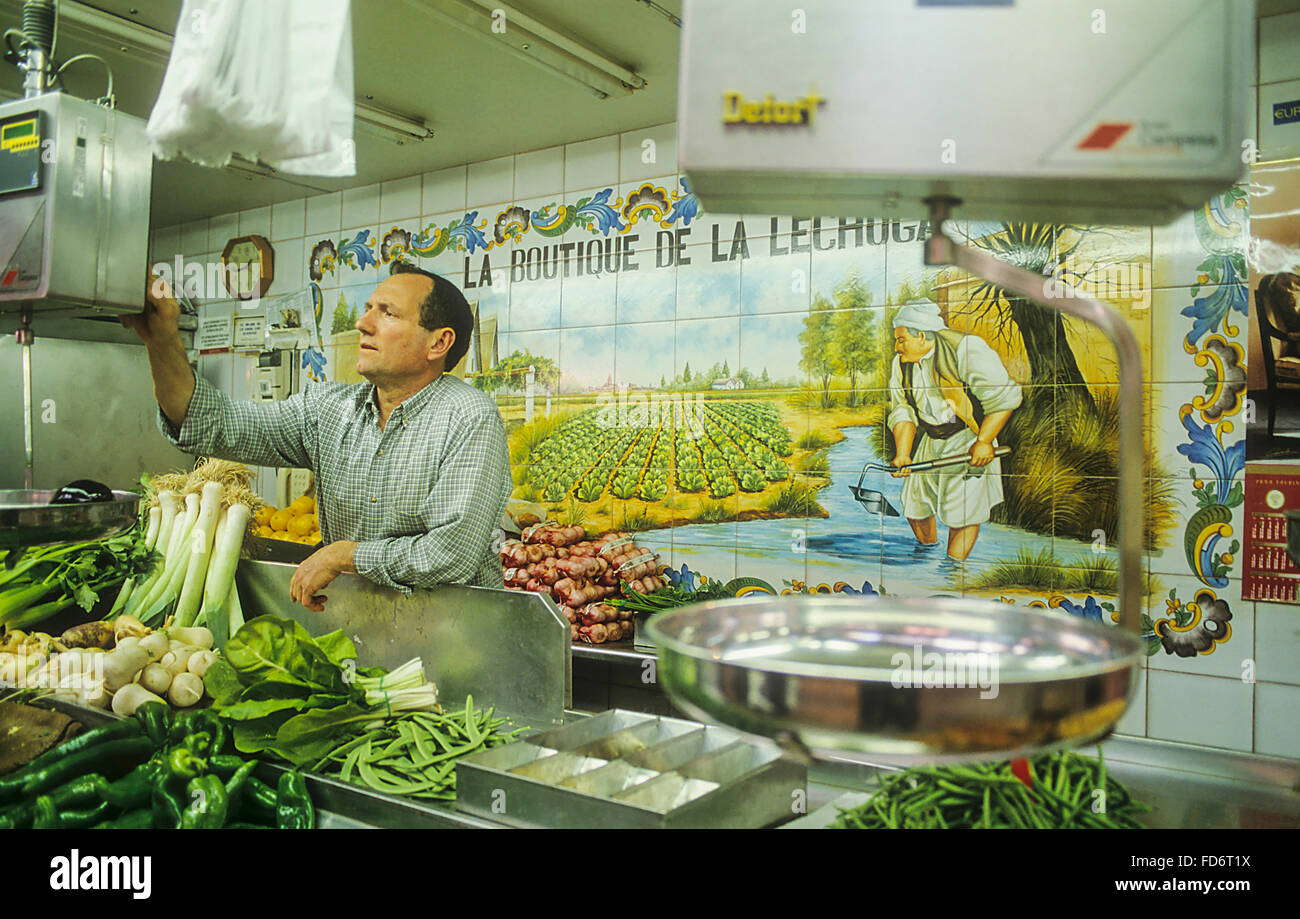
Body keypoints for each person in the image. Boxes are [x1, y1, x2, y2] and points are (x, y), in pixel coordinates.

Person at [121, 261, 512, 611]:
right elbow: (213, 423)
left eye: (388, 313)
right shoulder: (328, 409)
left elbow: (451, 553)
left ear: (438, 343)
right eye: (368, 309)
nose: (363, 323)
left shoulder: (469, 416)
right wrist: (162, 339)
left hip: (459, 638)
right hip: (366, 626)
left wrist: (345, 555)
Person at [886, 300, 1021, 560]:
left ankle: (951, 570)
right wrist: (903, 453)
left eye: (901, 340)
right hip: (932, 440)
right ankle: (925, 560)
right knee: (916, 507)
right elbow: (903, 410)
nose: (897, 346)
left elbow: (1003, 399)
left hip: (968, 438)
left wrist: (984, 441)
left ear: (921, 335)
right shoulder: (901, 364)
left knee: (962, 512)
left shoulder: (966, 350)